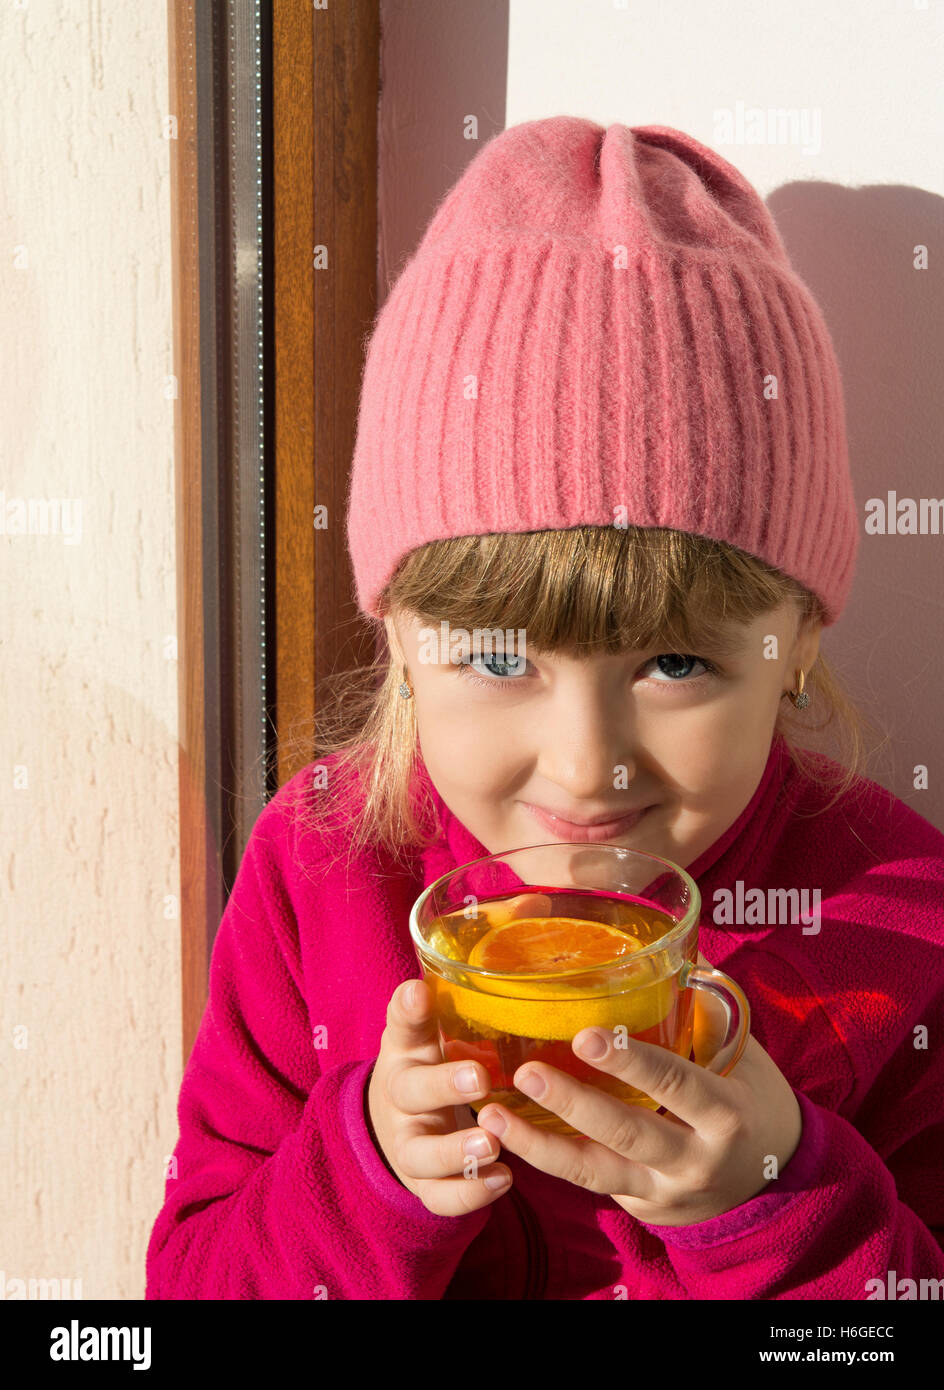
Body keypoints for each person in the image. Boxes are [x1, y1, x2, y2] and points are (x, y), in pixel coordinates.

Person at [146, 116, 944, 1300]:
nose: (583, 770)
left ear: (794, 645)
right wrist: (365, 1169)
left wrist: (775, 1204)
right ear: (401, 635)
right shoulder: (320, 869)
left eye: (673, 665)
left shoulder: (902, 924)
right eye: (494, 655)